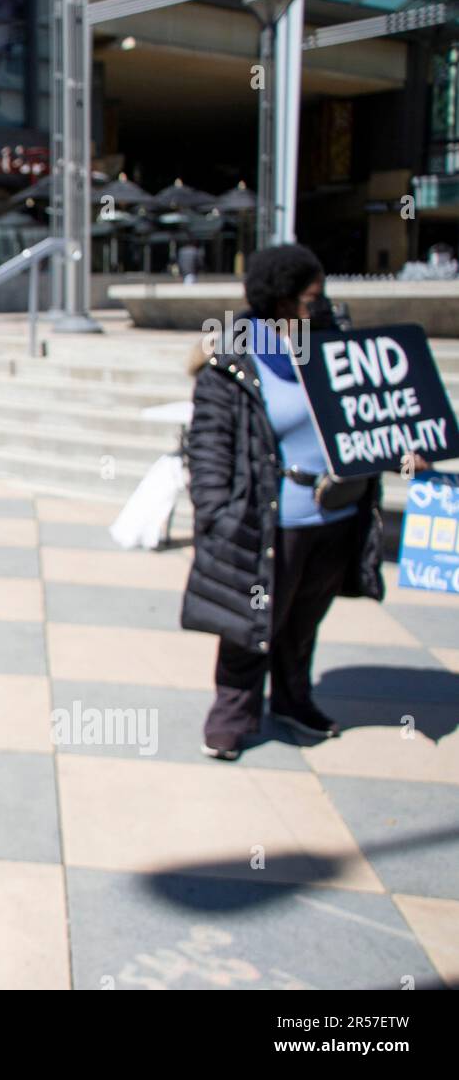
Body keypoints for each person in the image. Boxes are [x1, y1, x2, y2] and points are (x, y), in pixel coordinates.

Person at [180, 244, 393, 761]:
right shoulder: (234, 361)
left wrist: (406, 445)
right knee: (251, 625)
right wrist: (217, 516)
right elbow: (208, 448)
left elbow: (372, 415)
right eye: (309, 298)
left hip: (338, 514)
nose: (320, 307)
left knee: (302, 623)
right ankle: (232, 716)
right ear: (279, 301)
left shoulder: (336, 350)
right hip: (270, 520)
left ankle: (295, 701)